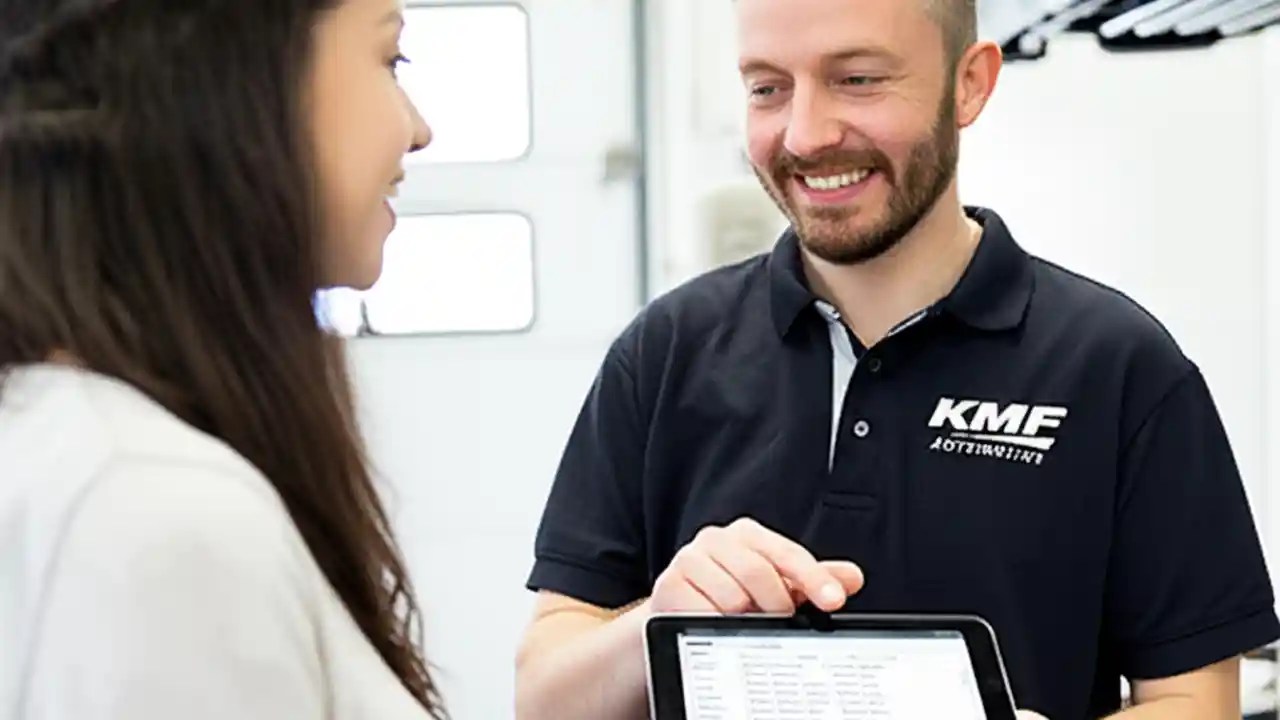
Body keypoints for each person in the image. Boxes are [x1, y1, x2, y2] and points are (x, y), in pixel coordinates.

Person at [515, 0, 1279, 718]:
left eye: (857, 79)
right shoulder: (664, 353)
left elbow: (1196, 701)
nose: (805, 135)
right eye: (768, 88)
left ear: (969, 84)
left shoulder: (1117, 367)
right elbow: (543, 698)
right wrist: (660, 622)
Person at [0, 1, 441, 719]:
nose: (419, 129)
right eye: (389, 60)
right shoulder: (154, 504)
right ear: (231, 77)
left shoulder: (72, 443)